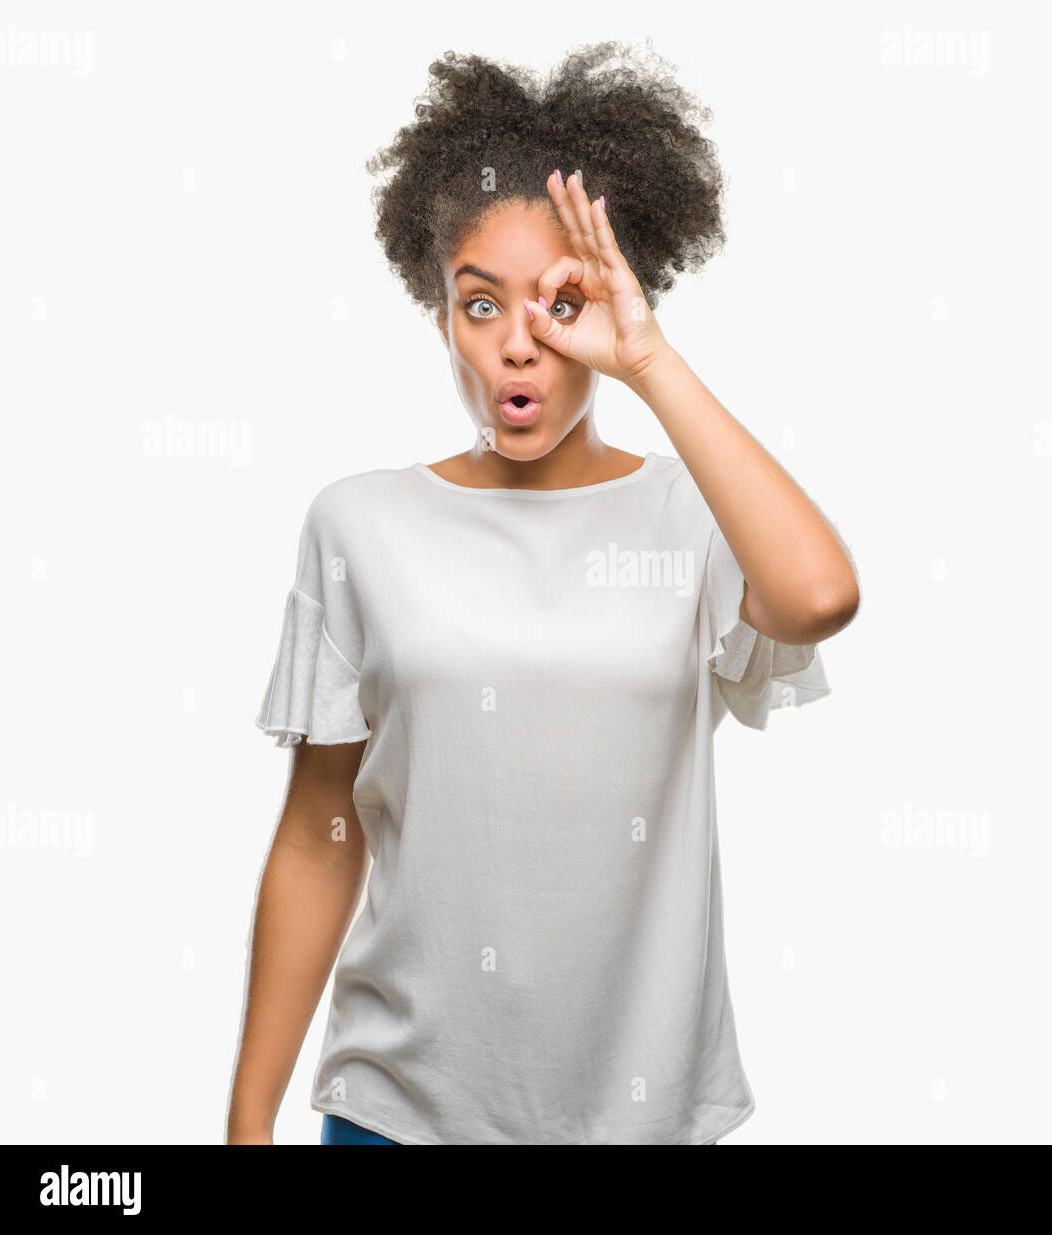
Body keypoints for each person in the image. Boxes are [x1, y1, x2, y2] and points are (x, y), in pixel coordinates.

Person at [226, 41, 860, 1147]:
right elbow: (321, 833)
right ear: (440, 319)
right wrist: (245, 1127)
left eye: (561, 302)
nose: (520, 345)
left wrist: (649, 359)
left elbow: (815, 595)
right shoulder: (358, 524)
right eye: (480, 305)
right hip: (397, 1117)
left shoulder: (693, 515)